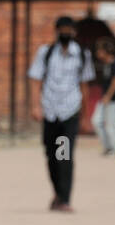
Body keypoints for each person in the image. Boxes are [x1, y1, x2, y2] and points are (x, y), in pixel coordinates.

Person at [28, 16, 94, 212]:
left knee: (63, 154)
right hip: (50, 111)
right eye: (62, 29)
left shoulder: (82, 54)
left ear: (74, 32)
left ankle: (65, 198)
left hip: (69, 111)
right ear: (56, 31)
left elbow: (84, 85)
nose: (66, 33)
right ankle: (57, 192)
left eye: (69, 29)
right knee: (51, 155)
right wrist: (35, 106)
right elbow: (35, 79)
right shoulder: (46, 53)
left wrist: (85, 116)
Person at [91, 39, 115, 157]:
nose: (97, 54)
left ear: (105, 52)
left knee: (112, 124)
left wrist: (109, 96)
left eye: (99, 51)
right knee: (96, 121)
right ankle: (108, 147)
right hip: (104, 98)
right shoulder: (106, 65)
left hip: (113, 100)